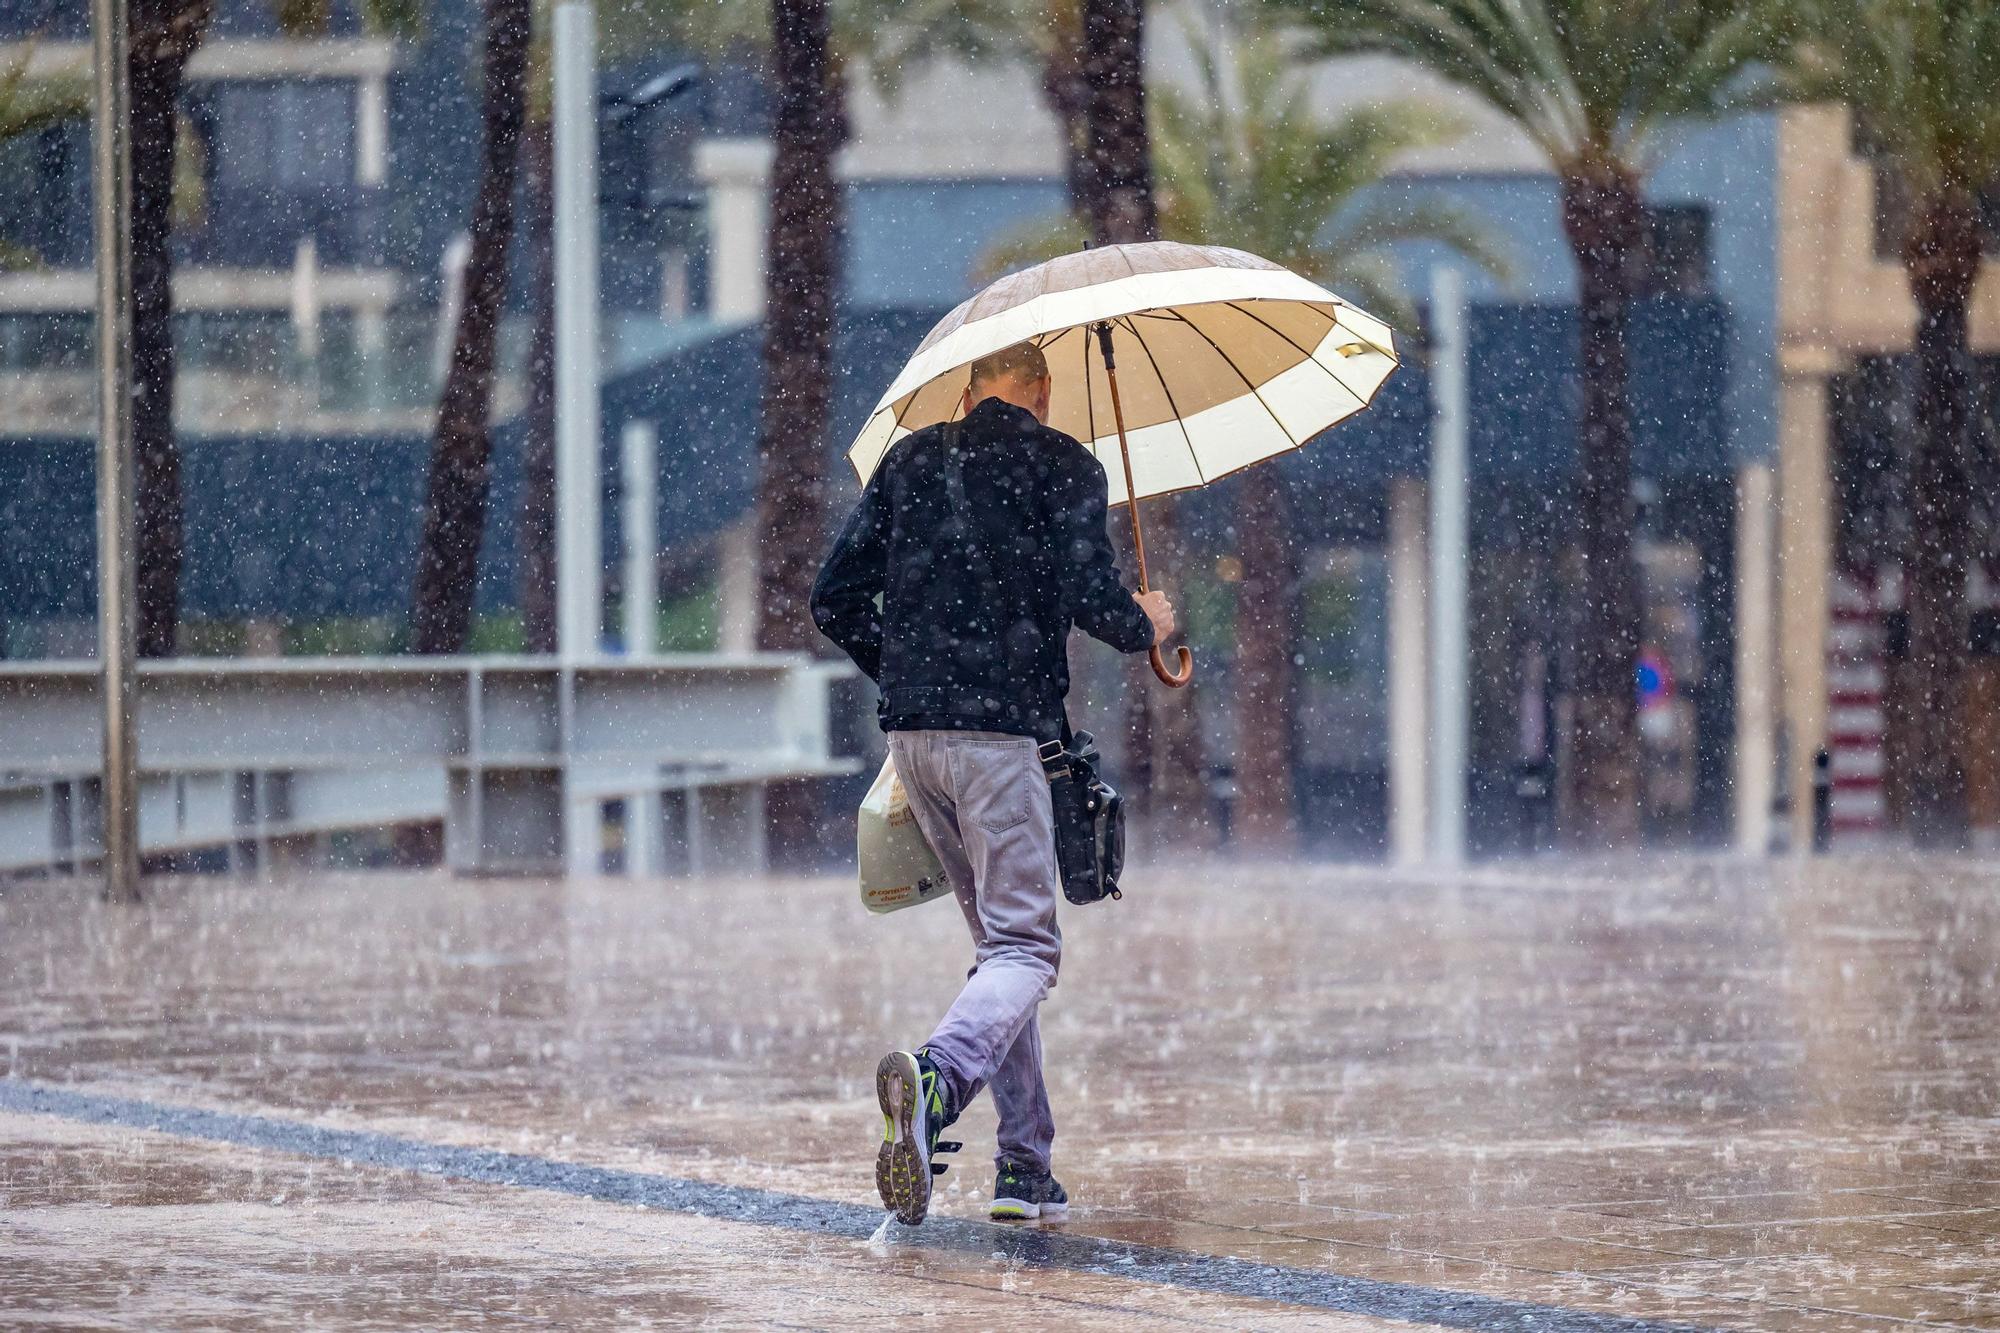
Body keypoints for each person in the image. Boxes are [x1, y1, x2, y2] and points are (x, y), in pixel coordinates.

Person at [810, 339, 1175, 1226]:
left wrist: (903, 673)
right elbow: (1096, 600)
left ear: (969, 391)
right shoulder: (1065, 464)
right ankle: (934, 1087)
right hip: (1003, 741)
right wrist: (1149, 622)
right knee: (1026, 952)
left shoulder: (909, 460)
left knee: (999, 956)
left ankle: (1024, 1166)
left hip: (913, 739)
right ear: (1041, 391)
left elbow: (834, 599)